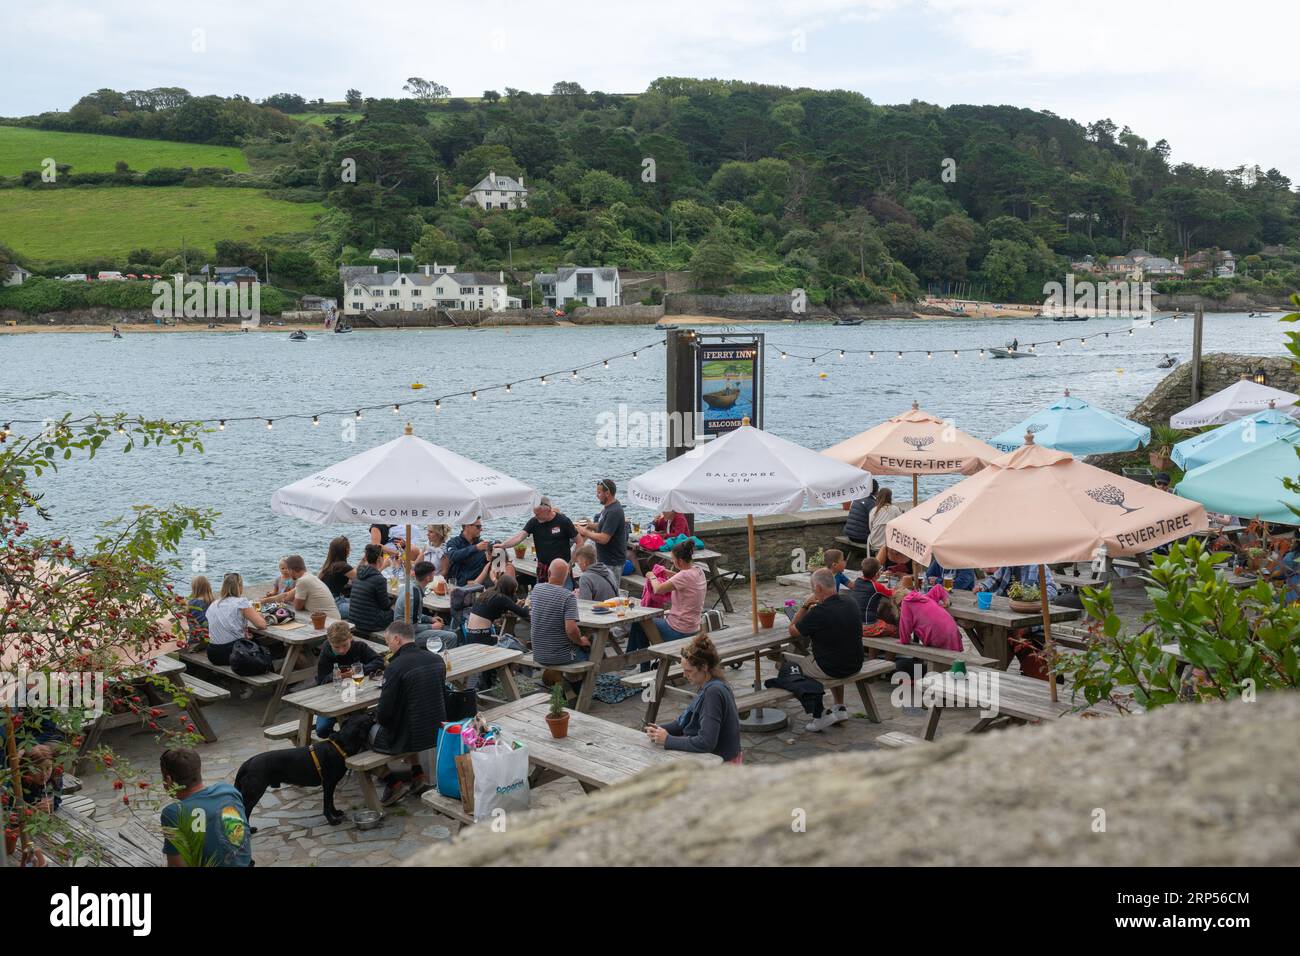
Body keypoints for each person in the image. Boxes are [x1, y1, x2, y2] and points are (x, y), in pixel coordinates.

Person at [372, 621, 446, 806]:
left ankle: (392, 783)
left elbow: (384, 714)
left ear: (397, 639)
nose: (388, 646)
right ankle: (417, 773)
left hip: (410, 737)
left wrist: (374, 719)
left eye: (388, 641)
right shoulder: (437, 660)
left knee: (359, 733)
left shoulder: (395, 667)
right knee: (407, 717)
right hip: (436, 730)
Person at [786, 568, 866, 732]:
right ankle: (840, 707)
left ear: (818, 588)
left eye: (812, 588)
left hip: (832, 668)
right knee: (833, 653)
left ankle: (820, 714)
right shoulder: (850, 601)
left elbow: (793, 630)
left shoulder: (818, 612)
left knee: (790, 667)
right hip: (855, 663)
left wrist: (805, 605)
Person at [645, 634, 742, 764]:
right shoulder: (709, 685)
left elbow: (706, 742)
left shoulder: (713, 692)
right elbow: (683, 722)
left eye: (689, 671)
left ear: (704, 667)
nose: (684, 675)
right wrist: (659, 730)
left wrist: (668, 739)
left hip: (722, 765)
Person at [159, 748, 253, 867]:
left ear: (168, 780)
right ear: (198, 770)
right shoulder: (229, 790)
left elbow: (176, 865)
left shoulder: (173, 813)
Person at [313, 621, 382, 738]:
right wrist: (334, 676)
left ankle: (350, 740)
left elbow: (379, 662)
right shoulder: (325, 654)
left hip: (358, 695)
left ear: (351, 638)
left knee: (357, 723)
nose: (341, 650)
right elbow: (320, 682)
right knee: (322, 730)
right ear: (330, 642)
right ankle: (339, 740)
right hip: (332, 699)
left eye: (345, 645)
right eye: (336, 647)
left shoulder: (359, 647)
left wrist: (359, 670)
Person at [528, 559, 590, 669]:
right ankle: (590, 680)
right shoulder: (568, 596)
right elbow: (571, 630)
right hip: (561, 656)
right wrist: (581, 641)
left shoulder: (536, 589)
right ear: (567, 576)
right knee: (592, 652)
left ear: (549, 573)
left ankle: (555, 677)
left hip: (538, 655)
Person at [647, 539, 707, 650]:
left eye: (673, 560)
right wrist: (666, 572)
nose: (672, 562)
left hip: (679, 630)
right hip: (693, 627)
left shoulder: (684, 575)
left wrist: (652, 576)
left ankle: (644, 657)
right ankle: (643, 657)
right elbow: (682, 578)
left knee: (641, 623)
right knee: (642, 628)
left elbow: (658, 589)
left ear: (679, 561)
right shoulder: (698, 571)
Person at [499, 497, 578, 583]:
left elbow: (580, 542)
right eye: (534, 513)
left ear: (548, 510)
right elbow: (519, 537)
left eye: (538, 514)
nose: (535, 516)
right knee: (541, 591)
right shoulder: (534, 522)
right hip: (543, 567)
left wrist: (571, 563)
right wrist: (502, 545)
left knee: (564, 591)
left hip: (562, 568)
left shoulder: (563, 521)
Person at [204, 573, 268, 666]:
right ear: (239, 587)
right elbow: (262, 625)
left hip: (213, 654)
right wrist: (260, 615)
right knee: (263, 647)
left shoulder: (214, 604)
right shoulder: (241, 602)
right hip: (235, 653)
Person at [392, 560, 458, 647]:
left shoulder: (410, 586)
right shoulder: (414, 596)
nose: (435, 575)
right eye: (433, 574)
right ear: (428, 578)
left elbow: (414, 615)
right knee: (451, 636)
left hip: (403, 629)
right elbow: (411, 627)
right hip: (405, 636)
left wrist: (430, 619)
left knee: (447, 629)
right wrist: (432, 627)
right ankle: (439, 656)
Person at [574, 478, 627, 583]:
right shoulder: (609, 508)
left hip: (612, 562)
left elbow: (604, 539)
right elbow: (605, 526)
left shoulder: (613, 511)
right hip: (605, 559)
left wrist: (585, 532)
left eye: (599, 493)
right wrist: (590, 526)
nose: (597, 495)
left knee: (609, 591)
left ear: (607, 493)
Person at [466, 567, 530, 645]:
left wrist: (515, 605)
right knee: (520, 642)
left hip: (470, 635)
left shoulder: (489, 593)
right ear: (510, 590)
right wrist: (527, 604)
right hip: (481, 638)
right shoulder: (502, 598)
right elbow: (524, 613)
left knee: (503, 637)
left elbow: (512, 600)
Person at [896, 582, 962, 651]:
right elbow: (938, 587)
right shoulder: (924, 597)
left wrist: (903, 640)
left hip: (938, 636)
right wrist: (946, 600)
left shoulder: (906, 602)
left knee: (936, 656)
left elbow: (905, 627)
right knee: (953, 656)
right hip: (953, 631)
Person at [346, 544, 394, 635]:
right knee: (395, 612)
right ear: (380, 559)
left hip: (353, 619)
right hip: (370, 624)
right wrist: (394, 601)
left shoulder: (359, 573)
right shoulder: (379, 579)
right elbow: (385, 606)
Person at [277, 554, 339, 619]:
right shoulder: (310, 577)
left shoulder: (302, 581)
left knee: (290, 614)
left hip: (328, 620)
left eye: (288, 570)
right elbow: (288, 595)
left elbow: (297, 607)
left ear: (291, 570)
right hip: (334, 617)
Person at [445, 520, 493, 586]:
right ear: (467, 526)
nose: (481, 529)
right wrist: (475, 548)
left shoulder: (482, 545)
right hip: (458, 585)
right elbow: (452, 556)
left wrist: (490, 555)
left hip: (476, 585)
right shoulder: (454, 542)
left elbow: (489, 563)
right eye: (478, 526)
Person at [867, 487, 905, 567]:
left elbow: (871, 527)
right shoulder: (895, 509)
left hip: (875, 542)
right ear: (890, 497)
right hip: (889, 543)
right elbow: (901, 526)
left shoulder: (874, 510)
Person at [976, 565, 1059, 601]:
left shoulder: (1039, 566)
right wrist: (982, 587)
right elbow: (995, 579)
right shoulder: (1008, 565)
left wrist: (1034, 597)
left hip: (1031, 610)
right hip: (1006, 606)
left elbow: (1052, 589)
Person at [318, 536, 354, 618]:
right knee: (365, 608)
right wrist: (381, 566)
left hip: (328, 602)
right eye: (349, 548)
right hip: (335, 605)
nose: (350, 550)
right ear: (346, 550)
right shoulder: (343, 566)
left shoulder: (328, 565)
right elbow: (362, 578)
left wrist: (363, 561)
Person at [843, 479, 878, 546]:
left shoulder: (857, 498)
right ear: (876, 490)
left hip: (850, 535)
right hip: (862, 538)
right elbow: (876, 521)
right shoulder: (871, 503)